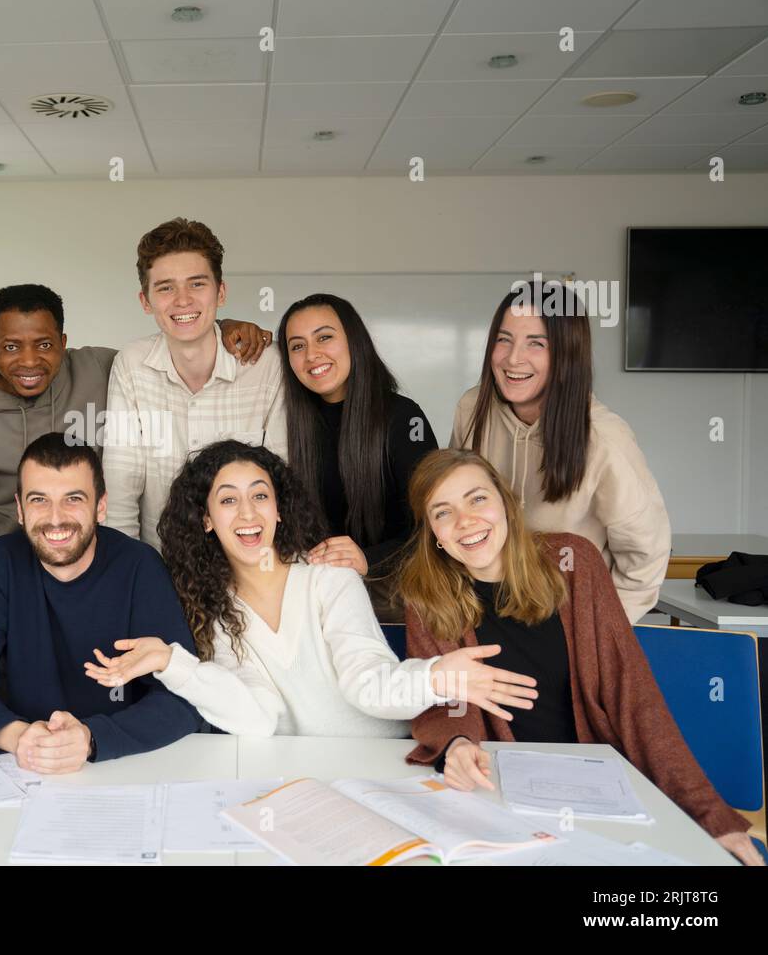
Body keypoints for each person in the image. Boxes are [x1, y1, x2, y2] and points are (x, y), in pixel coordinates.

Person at [399, 447, 760, 866]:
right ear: (433, 534)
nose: (465, 521)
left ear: (507, 504)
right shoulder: (425, 595)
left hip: (597, 787)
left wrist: (711, 817)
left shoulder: (572, 562)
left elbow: (635, 696)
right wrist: (457, 744)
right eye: (442, 512)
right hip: (495, 792)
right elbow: (444, 702)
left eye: (477, 498)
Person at [83, 441, 537, 738]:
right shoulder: (215, 610)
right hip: (302, 783)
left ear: (279, 510)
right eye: (227, 500)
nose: (247, 513)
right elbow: (255, 719)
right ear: (206, 520)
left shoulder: (327, 577)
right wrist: (170, 661)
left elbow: (370, 685)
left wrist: (441, 676)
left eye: (260, 495)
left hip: (389, 770)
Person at [0, 283, 271, 565]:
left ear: (63, 344)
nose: (29, 360)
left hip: (102, 567)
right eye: (11, 347)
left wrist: (222, 328)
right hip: (17, 576)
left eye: (44, 345)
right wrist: (0, 573)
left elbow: (169, 354)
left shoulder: (102, 369)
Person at [0, 433, 201, 772]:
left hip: (122, 767)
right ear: (20, 509)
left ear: (101, 506)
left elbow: (182, 698)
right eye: (39, 500)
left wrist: (91, 738)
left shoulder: (140, 567)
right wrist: (19, 737)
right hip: (22, 766)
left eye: (73, 498)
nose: (56, 518)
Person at [451, 283, 669, 622]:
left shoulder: (604, 437)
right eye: (503, 339)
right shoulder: (472, 408)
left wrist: (597, 633)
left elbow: (645, 557)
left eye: (536, 343)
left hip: (567, 623)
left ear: (567, 353)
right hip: (485, 615)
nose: (513, 358)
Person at [103, 218, 287, 550]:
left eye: (197, 284)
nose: (183, 300)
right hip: (160, 567)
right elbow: (121, 490)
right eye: (165, 287)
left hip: (250, 567)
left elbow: (283, 482)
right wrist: (125, 577)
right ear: (146, 301)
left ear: (221, 292)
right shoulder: (131, 365)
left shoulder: (267, 365)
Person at [278, 292, 438, 619]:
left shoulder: (405, 418)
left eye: (324, 337)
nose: (312, 355)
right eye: (297, 346)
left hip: (395, 603)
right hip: (315, 603)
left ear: (354, 340)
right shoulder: (287, 424)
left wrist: (368, 558)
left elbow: (433, 524)